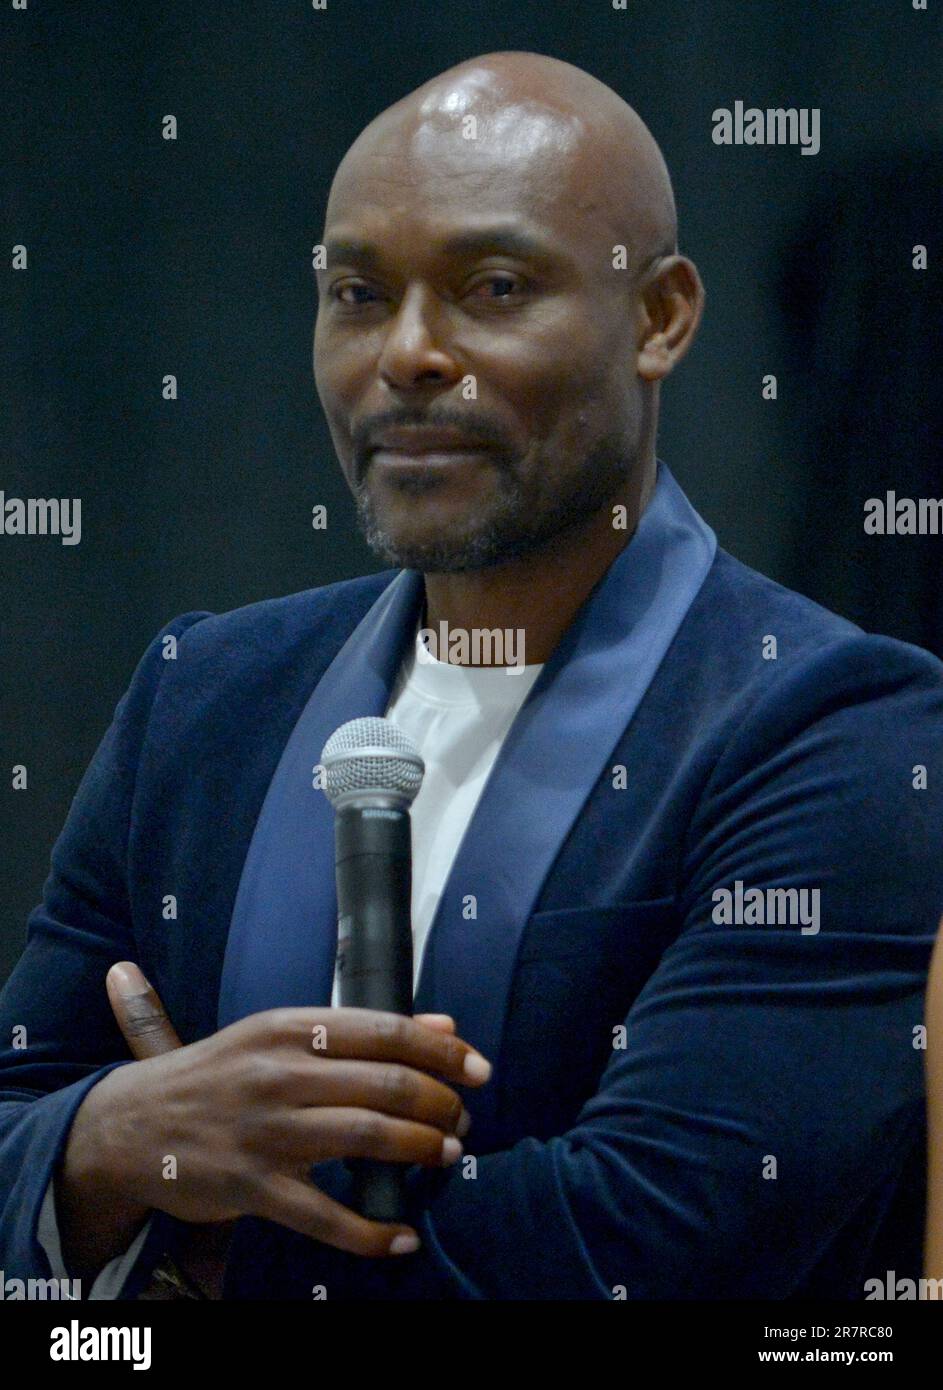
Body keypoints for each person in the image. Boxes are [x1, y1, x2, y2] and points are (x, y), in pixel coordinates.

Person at [2, 50, 942, 1301]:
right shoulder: (205, 692)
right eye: (355, 293)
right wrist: (109, 1140)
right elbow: (24, 1112)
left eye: (492, 287)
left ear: (658, 317)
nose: (408, 353)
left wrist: (210, 1229)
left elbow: (654, 1242)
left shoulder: (834, 723)